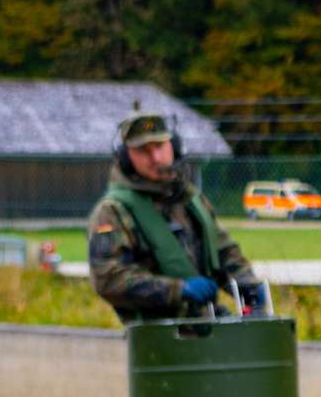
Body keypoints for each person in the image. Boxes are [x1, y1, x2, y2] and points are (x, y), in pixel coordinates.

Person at [89, 112, 265, 322]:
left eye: (160, 146)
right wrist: (177, 290)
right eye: (143, 151)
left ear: (174, 146)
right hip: (157, 335)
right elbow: (108, 278)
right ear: (126, 158)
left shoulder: (191, 200)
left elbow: (224, 252)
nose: (155, 158)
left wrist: (250, 289)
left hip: (207, 325)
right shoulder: (114, 211)